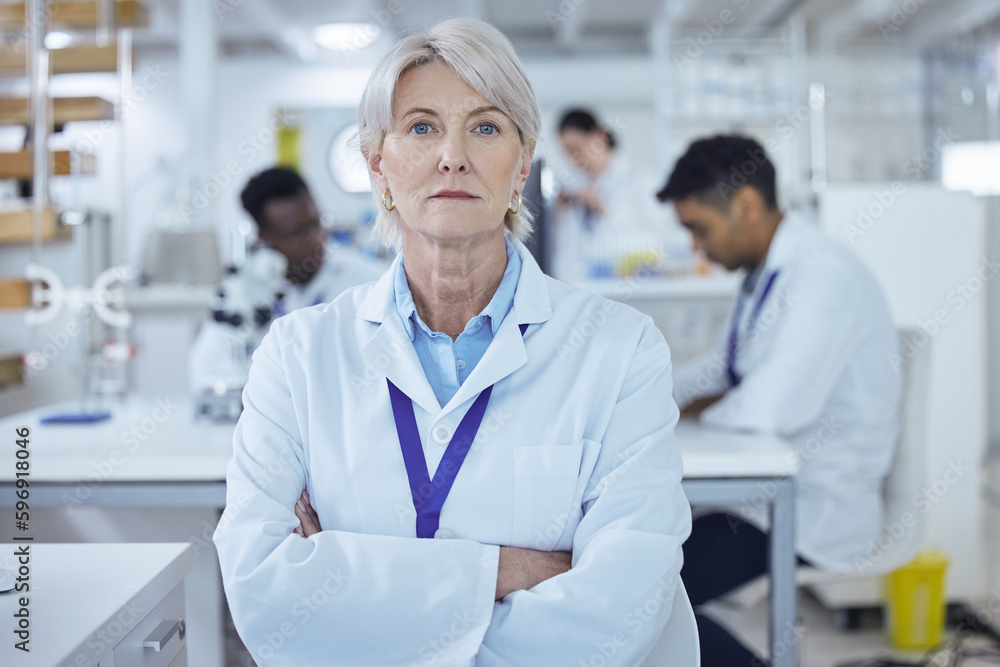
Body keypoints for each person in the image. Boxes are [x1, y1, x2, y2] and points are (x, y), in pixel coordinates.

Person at [213, 18, 691, 666]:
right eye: (421, 126)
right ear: (378, 166)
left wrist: (359, 588)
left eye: (486, 126)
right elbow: (262, 592)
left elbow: (621, 608)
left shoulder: (621, 350)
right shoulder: (296, 356)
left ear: (522, 166)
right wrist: (501, 570)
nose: (452, 155)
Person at [657, 135, 901, 666]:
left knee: (648, 596)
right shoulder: (765, 276)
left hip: (814, 502)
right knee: (642, 575)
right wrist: (650, 397)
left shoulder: (822, 275)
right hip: (768, 492)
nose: (697, 248)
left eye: (700, 229)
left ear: (746, 204)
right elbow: (722, 369)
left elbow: (769, 408)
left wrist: (704, 407)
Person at [188, 167, 385, 394]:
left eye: (315, 223)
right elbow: (203, 370)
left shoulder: (369, 281)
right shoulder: (246, 291)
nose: (315, 239)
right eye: (296, 233)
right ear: (264, 237)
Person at [552, 108, 684, 281]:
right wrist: (557, 211)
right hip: (582, 286)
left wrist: (605, 210)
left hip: (633, 286)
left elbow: (663, 242)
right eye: (567, 153)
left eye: (577, 149)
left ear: (599, 137)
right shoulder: (570, 190)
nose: (573, 159)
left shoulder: (642, 181)